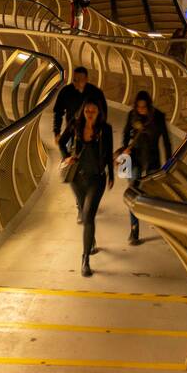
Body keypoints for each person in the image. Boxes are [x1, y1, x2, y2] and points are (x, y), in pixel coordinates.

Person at [61, 99, 114, 277]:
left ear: (99, 113)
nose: (90, 114)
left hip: (96, 179)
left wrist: (112, 175)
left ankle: (85, 260)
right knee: (85, 216)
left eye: (93, 111)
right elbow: (61, 141)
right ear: (83, 112)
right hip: (77, 177)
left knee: (89, 215)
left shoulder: (105, 129)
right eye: (87, 111)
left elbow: (108, 153)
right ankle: (90, 240)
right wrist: (66, 157)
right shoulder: (75, 126)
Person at [118, 90, 173, 245]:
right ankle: (134, 229)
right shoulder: (132, 115)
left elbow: (166, 141)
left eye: (144, 107)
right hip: (135, 158)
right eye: (139, 107)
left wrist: (168, 163)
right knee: (133, 192)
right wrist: (124, 149)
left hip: (152, 159)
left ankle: (155, 220)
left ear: (149, 106)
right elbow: (125, 134)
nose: (141, 109)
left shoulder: (158, 117)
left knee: (151, 193)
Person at [54, 67, 107, 219]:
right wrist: (57, 131)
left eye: (80, 79)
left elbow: (104, 112)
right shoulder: (66, 92)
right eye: (75, 79)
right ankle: (81, 205)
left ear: (86, 79)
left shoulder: (95, 93)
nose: (77, 82)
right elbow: (58, 112)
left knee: (92, 168)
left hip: (93, 136)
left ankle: (89, 199)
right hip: (73, 134)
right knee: (75, 169)